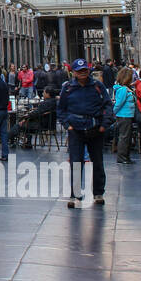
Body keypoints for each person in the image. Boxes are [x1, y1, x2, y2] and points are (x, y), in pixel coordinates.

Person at [58, 58, 110, 208]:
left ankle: (98, 192)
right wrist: (67, 125)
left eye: (84, 71)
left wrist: (104, 124)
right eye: (79, 71)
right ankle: (75, 195)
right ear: (73, 72)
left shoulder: (97, 86)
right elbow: (61, 109)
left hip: (95, 128)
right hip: (76, 130)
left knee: (97, 162)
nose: (82, 73)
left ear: (89, 71)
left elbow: (107, 105)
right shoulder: (67, 88)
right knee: (76, 162)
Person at [111, 66, 137, 164]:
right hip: (124, 115)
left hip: (128, 115)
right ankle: (122, 157)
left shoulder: (126, 88)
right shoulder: (123, 89)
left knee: (127, 136)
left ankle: (126, 156)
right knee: (124, 136)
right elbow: (119, 103)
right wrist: (114, 113)